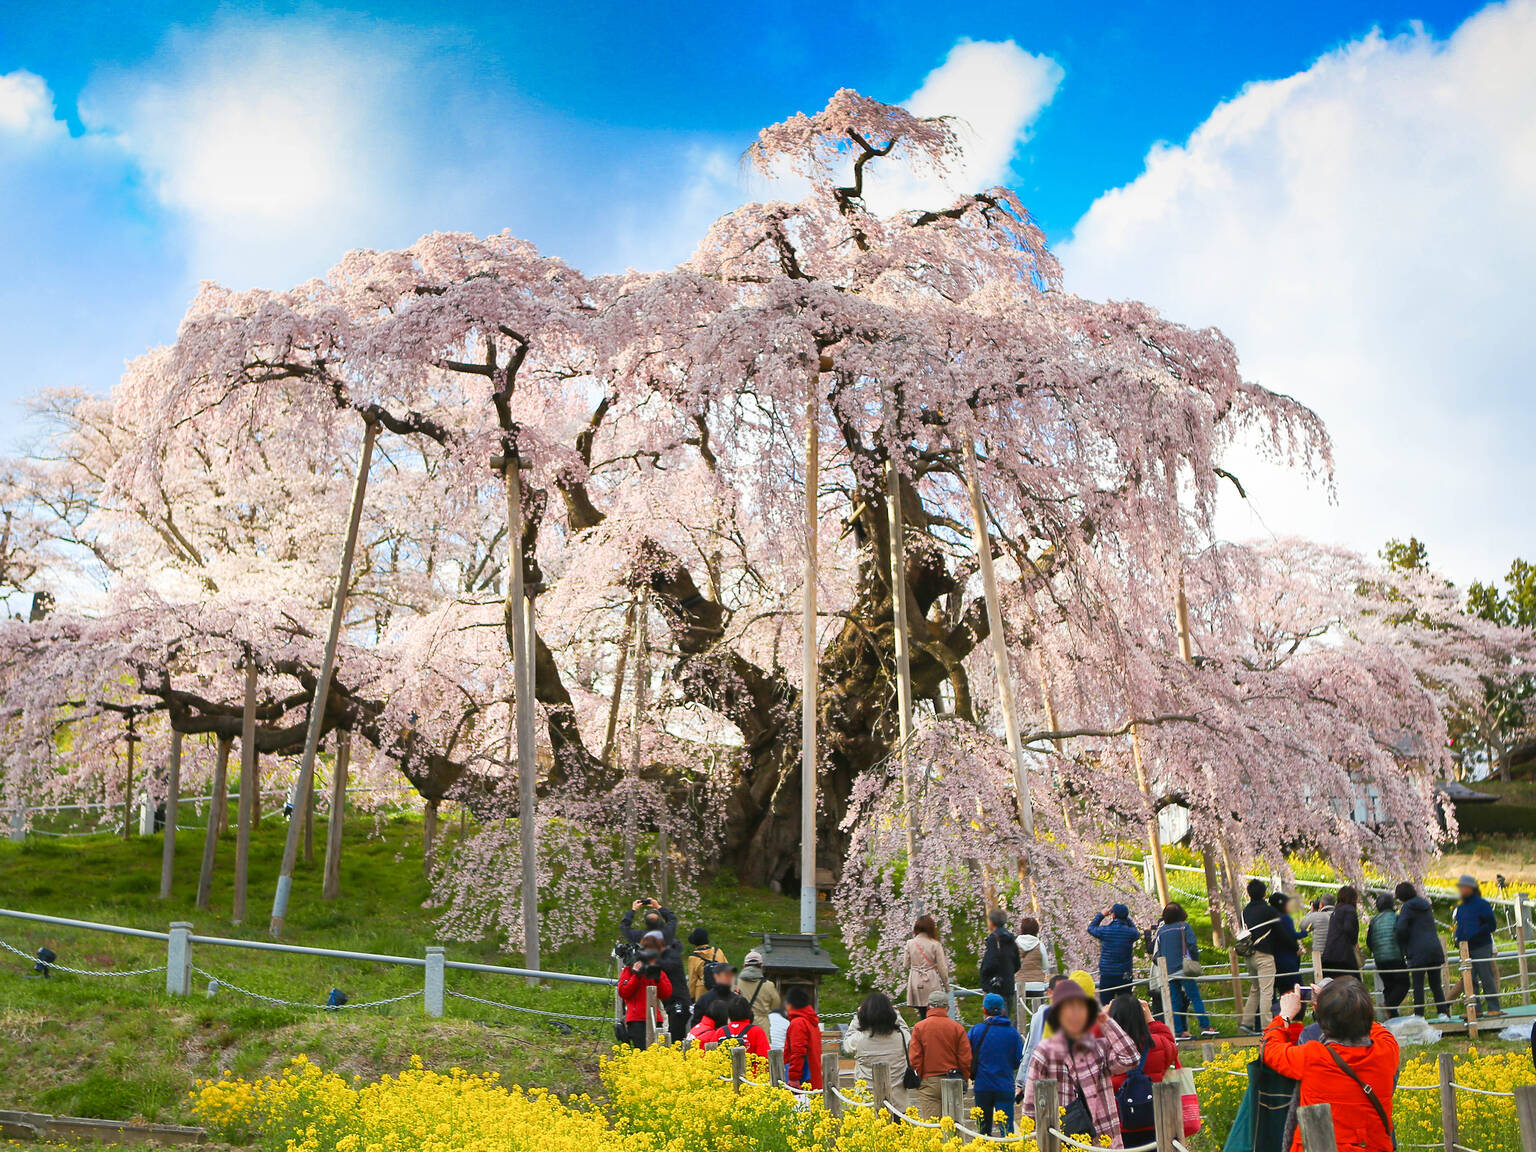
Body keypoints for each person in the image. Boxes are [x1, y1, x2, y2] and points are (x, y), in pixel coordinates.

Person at [1263, 978, 1399, 1152]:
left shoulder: (1313, 1057)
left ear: (1324, 1020)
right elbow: (1376, 1028)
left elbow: (1269, 1048)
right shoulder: (1387, 1051)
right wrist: (1343, 1005)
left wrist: (1285, 1016)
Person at [1021, 978, 1140, 1145]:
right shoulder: (1045, 1051)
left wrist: (1103, 1019)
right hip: (1065, 1138)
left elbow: (1130, 1058)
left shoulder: (1098, 1047)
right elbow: (1030, 1102)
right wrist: (1028, 1140)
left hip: (1103, 1137)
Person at [1106, 994, 1179, 1147]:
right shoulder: (1158, 1043)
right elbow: (1171, 1043)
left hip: (1121, 1123)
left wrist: (1103, 1017)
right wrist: (1151, 1020)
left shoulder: (1106, 1048)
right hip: (1156, 1121)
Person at [1151, 902, 1216, 1039]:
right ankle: (1205, 1026)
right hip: (1183, 969)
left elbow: (1159, 952)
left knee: (1174, 1001)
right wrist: (1195, 960)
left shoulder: (1161, 931)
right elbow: (1192, 945)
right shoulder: (1183, 927)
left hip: (1169, 971)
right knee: (1195, 997)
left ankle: (1179, 1031)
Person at [841, 991, 911, 1113]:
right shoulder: (901, 1037)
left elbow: (847, 1043)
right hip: (898, 1103)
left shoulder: (859, 1039)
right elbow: (905, 1030)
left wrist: (858, 1016)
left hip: (867, 1102)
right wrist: (897, 1013)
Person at [968, 992, 1025, 1136]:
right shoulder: (1012, 1033)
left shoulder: (975, 1031)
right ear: (1002, 1010)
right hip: (1005, 1085)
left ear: (984, 1010)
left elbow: (967, 1055)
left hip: (982, 1086)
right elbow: (1018, 1059)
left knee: (983, 1130)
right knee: (1007, 1130)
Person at [909, 989, 971, 1120]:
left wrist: (920, 1078)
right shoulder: (957, 1028)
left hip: (929, 1081)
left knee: (933, 1128)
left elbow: (915, 1058)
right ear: (947, 1008)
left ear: (928, 1007)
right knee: (954, 1127)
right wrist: (964, 1078)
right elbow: (965, 1058)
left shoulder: (919, 1027)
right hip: (953, 1080)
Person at [1394, 881, 1451, 1020]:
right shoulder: (1425, 905)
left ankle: (1419, 1015)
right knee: (1435, 983)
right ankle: (1442, 1013)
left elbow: (1401, 929)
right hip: (1434, 948)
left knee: (1418, 984)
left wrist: (1402, 939)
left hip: (1418, 950)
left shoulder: (1407, 907)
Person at [1453, 875, 1502, 1016]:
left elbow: (1491, 924)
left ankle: (1494, 1008)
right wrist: (1458, 937)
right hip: (1465, 948)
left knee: (1486, 976)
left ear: (1471, 888)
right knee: (1470, 979)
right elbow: (1461, 925)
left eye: (1463, 887)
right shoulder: (1461, 908)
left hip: (1481, 945)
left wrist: (1475, 933)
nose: (1461, 890)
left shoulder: (1482, 904)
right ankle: (1475, 1010)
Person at [1241, 878, 1280, 1033]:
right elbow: (1279, 931)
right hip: (1264, 955)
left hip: (1249, 955)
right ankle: (1267, 1026)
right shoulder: (1269, 910)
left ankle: (1246, 1021)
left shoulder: (1245, 911)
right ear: (1264, 893)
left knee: (1255, 989)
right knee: (1266, 991)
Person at [616, 946, 672, 1049]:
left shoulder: (656, 970)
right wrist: (636, 975)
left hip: (655, 1018)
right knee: (642, 1052)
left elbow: (666, 994)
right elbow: (623, 992)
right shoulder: (628, 971)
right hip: (636, 1020)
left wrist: (657, 978)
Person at [1366, 892, 1409, 1019]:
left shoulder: (1374, 920)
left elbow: (1369, 941)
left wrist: (1376, 951)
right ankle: (1389, 1005)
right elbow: (1402, 935)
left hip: (1380, 959)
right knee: (1403, 984)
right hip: (1395, 956)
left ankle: (1393, 1018)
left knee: (1389, 986)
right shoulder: (1396, 917)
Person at [1087, 904, 1140, 999]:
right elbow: (1137, 933)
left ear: (1113, 915)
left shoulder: (1105, 930)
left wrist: (1101, 915)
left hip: (1107, 973)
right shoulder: (1130, 933)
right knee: (1125, 1004)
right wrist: (1125, 918)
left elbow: (1091, 928)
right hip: (1125, 974)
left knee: (1106, 1005)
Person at [904, 915, 951, 1016]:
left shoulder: (910, 943)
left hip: (915, 979)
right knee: (933, 1010)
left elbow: (906, 965)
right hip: (931, 979)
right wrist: (946, 986)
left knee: (922, 1012)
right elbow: (942, 968)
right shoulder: (935, 944)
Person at [980, 909, 1022, 1021]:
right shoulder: (1011, 938)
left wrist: (984, 975)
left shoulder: (993, 939)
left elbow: (990, 961)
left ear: (991, 922)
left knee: (994, 1020)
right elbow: (1017, 964)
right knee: (1005, 1018)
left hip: (995, 986)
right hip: (1008, 984)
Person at [1269, 892, 1308, 999]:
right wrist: (1305, 932)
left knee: (1283, 992)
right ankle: (1296, 1014)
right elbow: (1291, 936)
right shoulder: (1285, 919)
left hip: (1275, 960)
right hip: (1288, 959)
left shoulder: (1270, 919)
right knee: (1296, 990)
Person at [782, 986, 823, 1089]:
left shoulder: (798, 1023)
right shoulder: (811, 1021)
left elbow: (798, 1051)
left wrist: (793, 1077)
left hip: (803, 1080)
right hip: (814, 1075)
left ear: (789, 1004)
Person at [735, 949, 782, 1035]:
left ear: (744, 966)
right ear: (761, 967)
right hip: (761, 1026)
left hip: (740, 1026)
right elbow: (776, 1004)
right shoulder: (768, 985)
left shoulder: (735, 983)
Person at [1321, 886, 1362, 981]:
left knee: (1333, 987)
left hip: (1329, 956)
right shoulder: (1350, 910)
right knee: (1354, 984)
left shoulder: (1336, 912)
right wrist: (1354, 941)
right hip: (1343, 957)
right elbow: (1348, 928)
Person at [688, 959, 737, 1029]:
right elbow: (696, 1026)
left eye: (731, 975)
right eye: (726, 975)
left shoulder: (735, 999)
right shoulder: (705, 999)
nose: (730, 978)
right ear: (716, 976)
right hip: (710, 1038)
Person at [720, 994, 770, 1060]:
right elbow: (764, 1058)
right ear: (748, 1012)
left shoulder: (720, 1032)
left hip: (723, 1069)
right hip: (749, 1069)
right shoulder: (757, 1031)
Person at [685, 927, 727, 1001]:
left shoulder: (693, 957)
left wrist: (691, 997)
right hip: (719, 990)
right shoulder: (718, 951)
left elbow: (692, 979)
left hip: (702, 992)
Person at [1016, 916, 1048, 1012]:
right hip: (1037, 984)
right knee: (1039, 1014)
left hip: (1019, 984)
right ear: (1036, 930)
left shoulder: (1014, 944)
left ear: (1022, 929)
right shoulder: (1040, 944)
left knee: (1019, 1016)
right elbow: (1045, 965)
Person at [1301, 892, 1334, 973]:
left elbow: (1303, 926)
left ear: (1321, 905)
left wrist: (1312, 911)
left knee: (1321, 983)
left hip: (1320, 956)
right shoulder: (1340, 915)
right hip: (1337, 955)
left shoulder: (1316, 916)